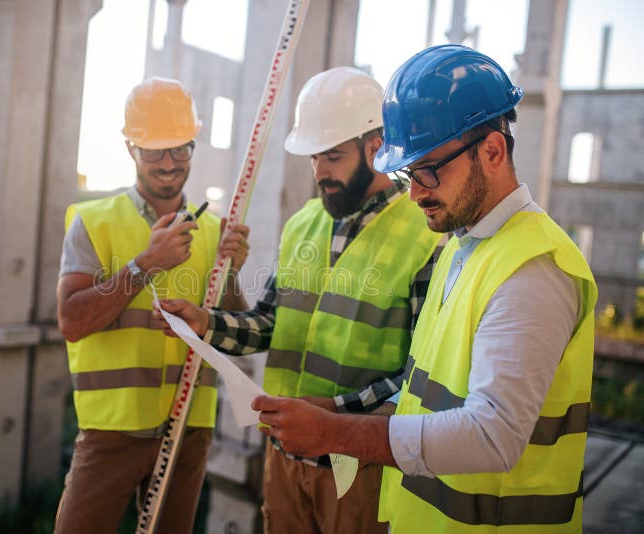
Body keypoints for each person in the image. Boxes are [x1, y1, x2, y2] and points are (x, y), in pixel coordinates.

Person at [253, 45, 597, 533]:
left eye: (428, 170)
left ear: (493, 151)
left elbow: (492, 435)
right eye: (408, 174)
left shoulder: (532, 269)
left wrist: (335, 430)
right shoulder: (465, 245)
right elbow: (419, 394)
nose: (414, 193)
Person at [157, 67, 442, 533]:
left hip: (359, 470)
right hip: (286, 458)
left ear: (376, 149)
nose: (319, 172)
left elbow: (421, 379)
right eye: (314, 158)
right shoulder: (304, 223)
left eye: (332, 156)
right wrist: (206, 322)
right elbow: (270, 322)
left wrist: (333, 414)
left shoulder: (425, 236)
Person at [54, 77, 250, 534]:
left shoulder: (215, 232)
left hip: (188, 431)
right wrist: (146, 264)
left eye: (180, 149)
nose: (168, 163)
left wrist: (234, 271)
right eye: (154, 151)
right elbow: (72, 320)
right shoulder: (94, 223)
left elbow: (238, 335)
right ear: (130, 149)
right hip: (111, 433)